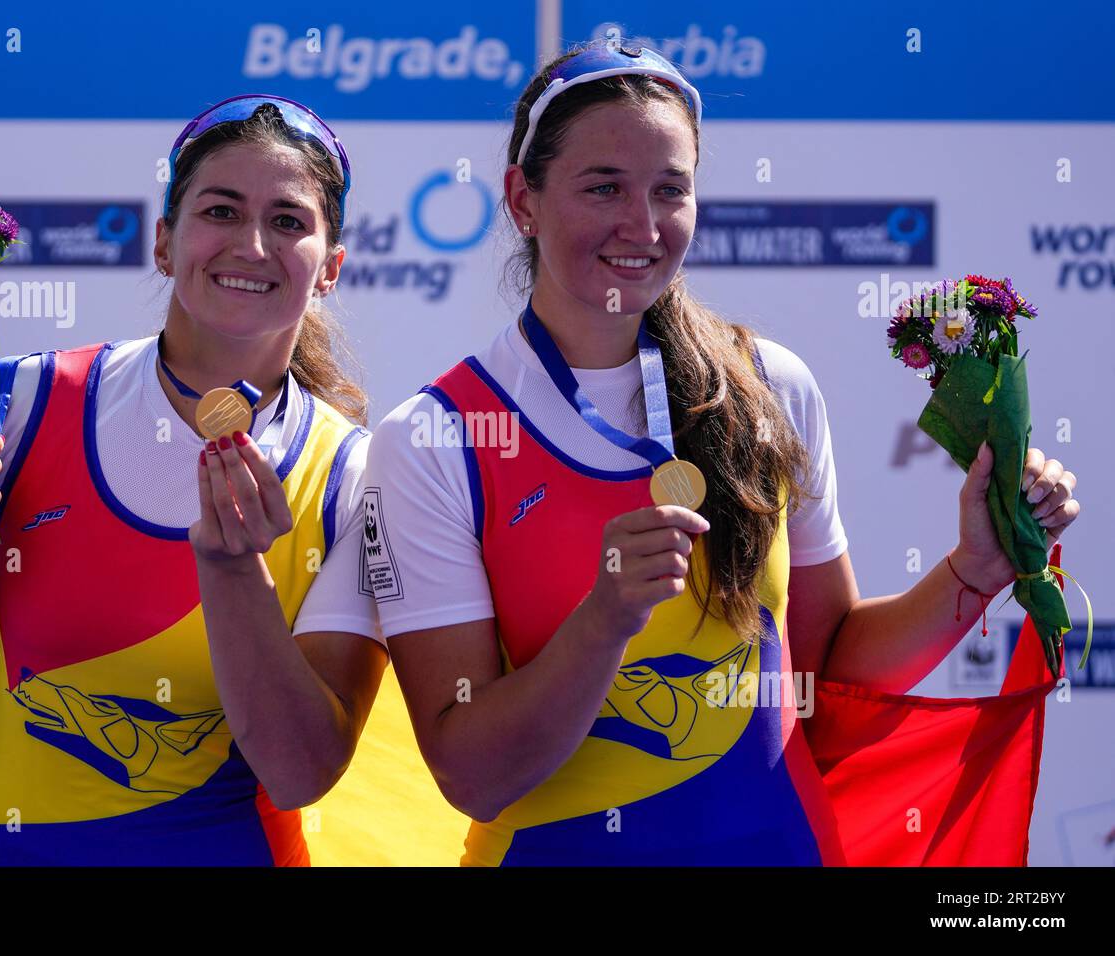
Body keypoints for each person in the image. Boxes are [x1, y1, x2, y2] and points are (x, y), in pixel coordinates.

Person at [360, 41, 1082, 865]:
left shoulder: (772, 385)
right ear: (523, 199)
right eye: (604, 188)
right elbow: (472, 777)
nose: (643, 225)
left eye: (671, 190)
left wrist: (973, 570)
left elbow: (827, 675)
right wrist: (604, 622)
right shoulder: (435, 438)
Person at [0, 94, 403, 865]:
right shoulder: (22, 404)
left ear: (331, 267)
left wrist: (235, 574)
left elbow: (300, 774)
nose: (253, 245)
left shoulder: (355, 476)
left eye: (289, 221)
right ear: (164, 241)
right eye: (220, 211)